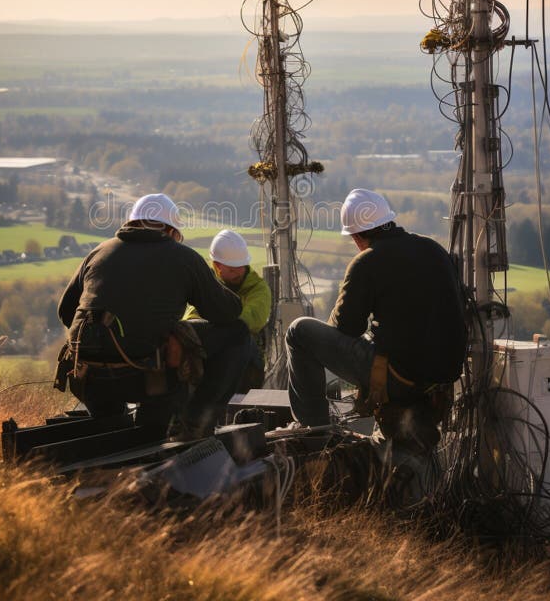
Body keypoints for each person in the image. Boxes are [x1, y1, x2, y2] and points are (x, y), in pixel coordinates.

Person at [285, 188, 466, 447]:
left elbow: (347, 327)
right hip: (440, 379)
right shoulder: (433, 249)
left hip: (400, 377)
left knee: (299, 332)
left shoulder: (367, 261)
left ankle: (314, 432)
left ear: (357, 235)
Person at [54, 193, 242, 434]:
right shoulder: (182, 257)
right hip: (149, 381)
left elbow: (66, 311)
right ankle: (197, 423)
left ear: (132, 223)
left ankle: (110, 418)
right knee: (237, 333)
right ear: (171, 230)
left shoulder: (99, 252)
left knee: (111, 420)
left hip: (88, 380)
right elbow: (227, 312)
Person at [184, 229, 272, 428]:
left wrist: (216, 326)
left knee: (239, 335)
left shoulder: (258, 289)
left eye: (241, 267)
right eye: (232, 269)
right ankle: (194, 418)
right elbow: (191, 319)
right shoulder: (206, 286)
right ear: (216, 266)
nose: (238, 272)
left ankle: (205, 416)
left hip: (249, 363)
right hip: (212, 357)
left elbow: (252, 320)